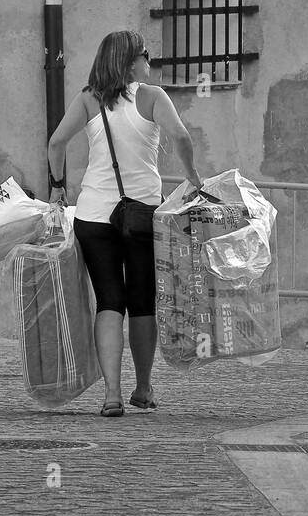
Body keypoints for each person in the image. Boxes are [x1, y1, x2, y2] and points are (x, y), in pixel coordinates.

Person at [46, 30, 203, 417]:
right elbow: (181, 136)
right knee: (141, 302)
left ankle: (111, 395)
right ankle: (144, 388)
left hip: (94, 215)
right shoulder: (152, 96)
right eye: (145, 54)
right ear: (132, 60)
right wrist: (193, 177)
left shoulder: (88, 99)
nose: (149, 60)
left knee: (109, 301)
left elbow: (55, 143)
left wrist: (57, 189)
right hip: (141, 215)